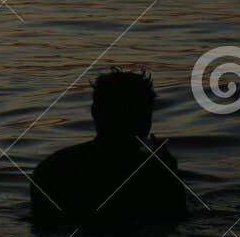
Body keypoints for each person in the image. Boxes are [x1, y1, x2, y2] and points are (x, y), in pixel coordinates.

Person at [30, 69, 187, 227]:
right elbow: (177, 221)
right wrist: (172, 179)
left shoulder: (51, 168)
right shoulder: (154, 175)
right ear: (147, 118)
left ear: (94, 113)